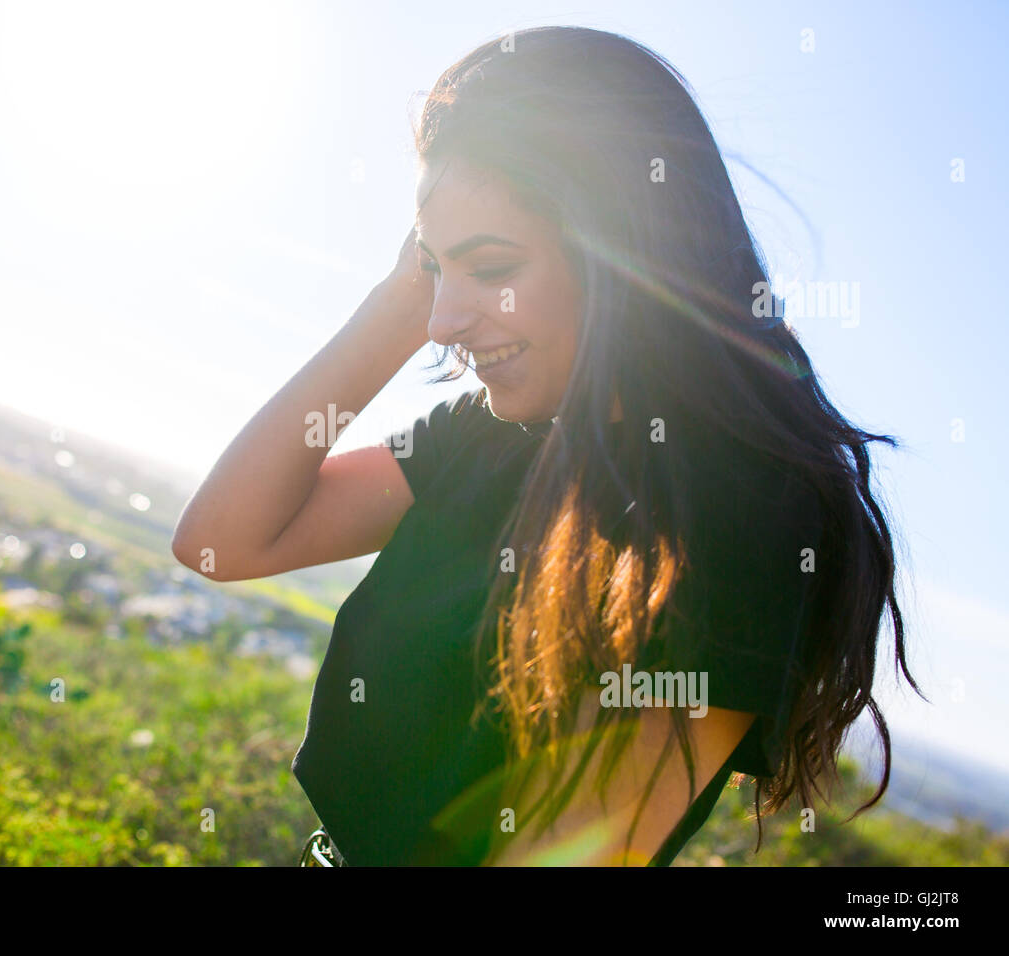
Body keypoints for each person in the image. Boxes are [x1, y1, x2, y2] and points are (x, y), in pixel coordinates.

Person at [172, 25, 922, 866]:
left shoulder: (743, 519)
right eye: (434, 267)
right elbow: (220, 541)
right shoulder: (495, 433)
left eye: (492, 268)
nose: (445, 323)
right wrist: (401, 293)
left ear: (624, 254)